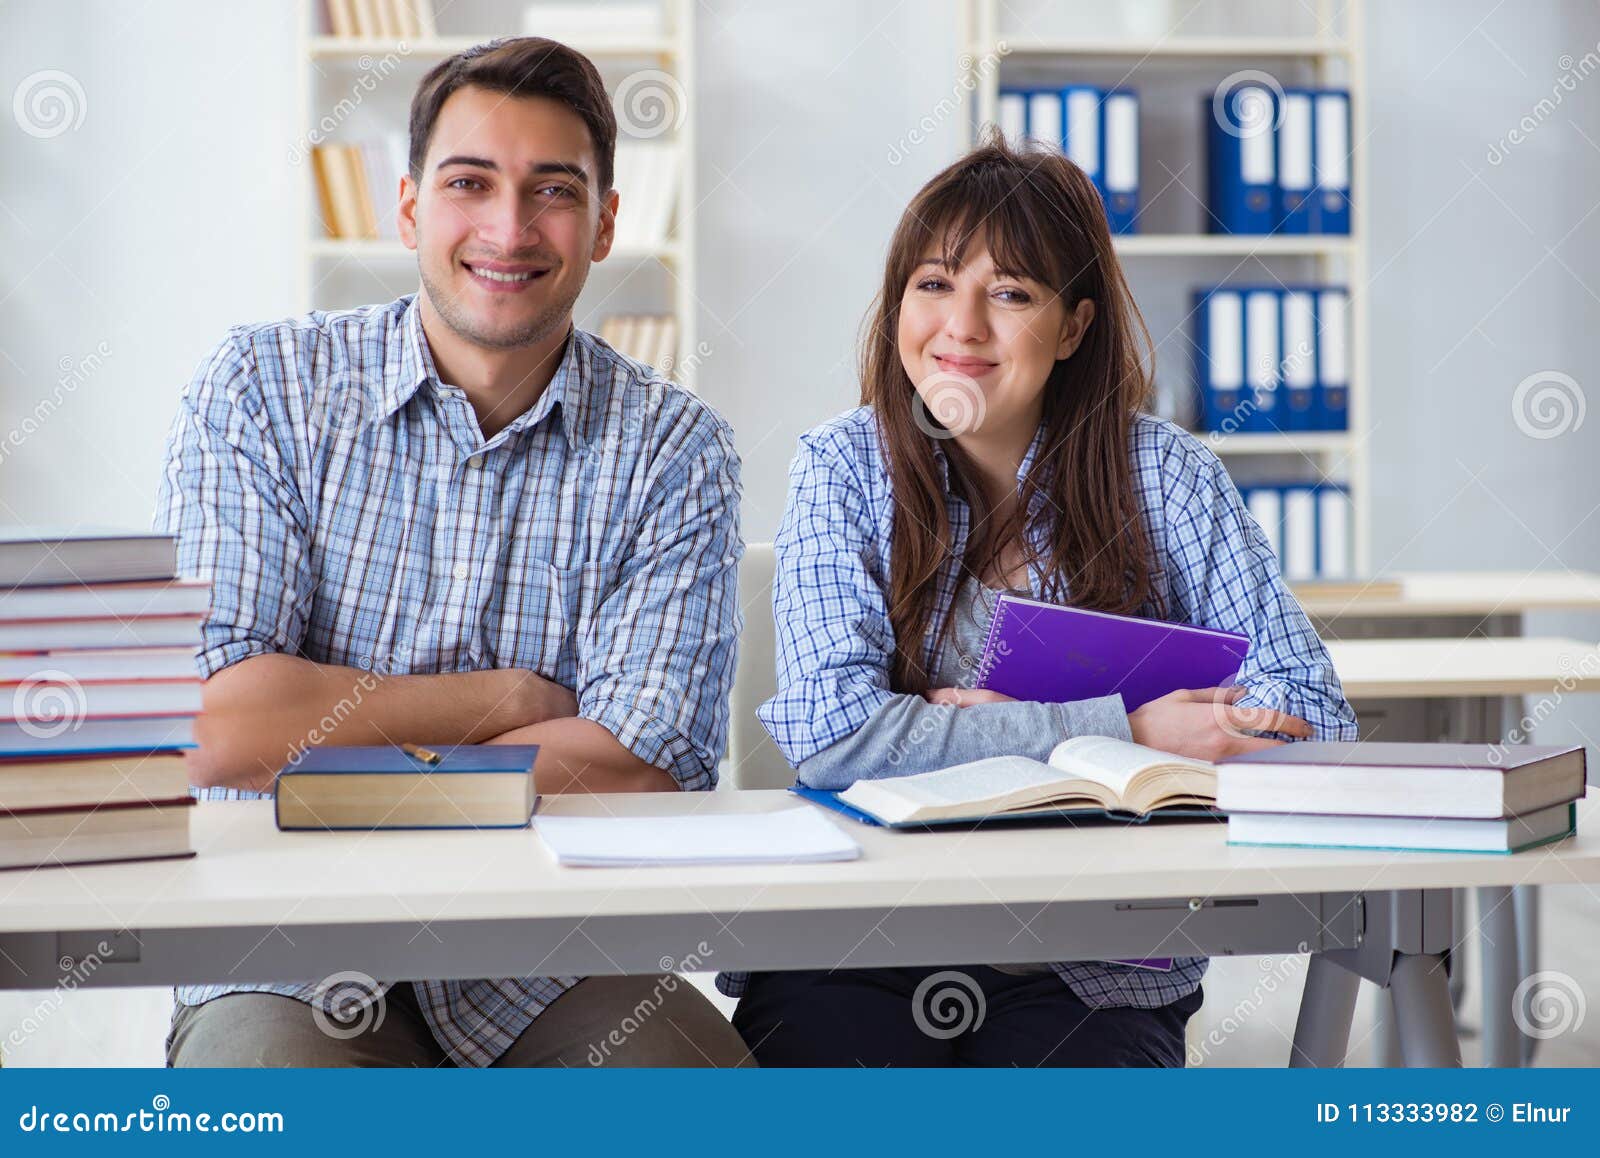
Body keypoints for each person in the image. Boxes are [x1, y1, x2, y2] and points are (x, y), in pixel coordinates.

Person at [157, 37, 749, 1068]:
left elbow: (638, 771)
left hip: (552, 950)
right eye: (469, 183)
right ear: (409, 207)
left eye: (552, 190)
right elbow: (218, 724)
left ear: (606, 222)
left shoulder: (673, 449)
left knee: (705, 1103)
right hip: (286, 941)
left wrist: (325, 758)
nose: (508, 229)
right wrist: (510, 704)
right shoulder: (260, 388)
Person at [720, 133, 1358, 1067]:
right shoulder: (843, 466)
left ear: (1073, 328)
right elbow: (832, 731)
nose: (962, 327)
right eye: (933, 284)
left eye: (1010, 293)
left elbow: (1315, 719)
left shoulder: (1166, 477)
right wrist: (1121, 730)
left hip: (1092, 966)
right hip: (857, 943)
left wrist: (998, 727)